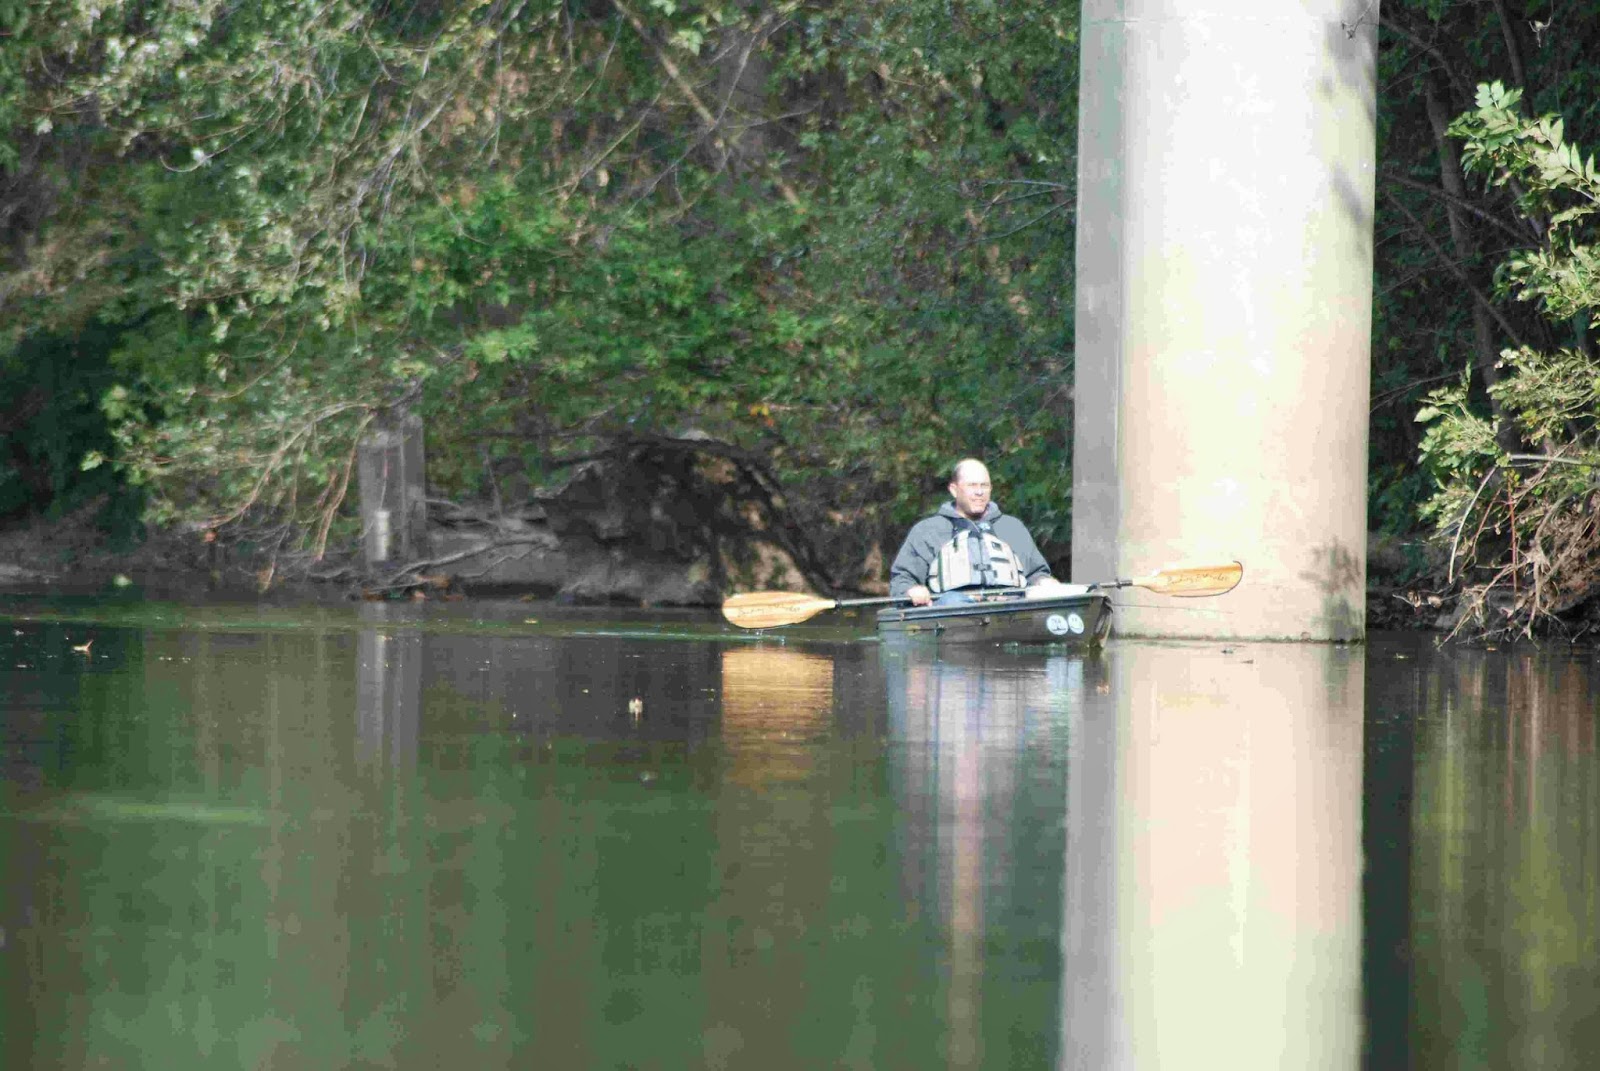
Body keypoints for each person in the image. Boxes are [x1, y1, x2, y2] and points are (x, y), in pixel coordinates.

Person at [889, 458, 1060, 606]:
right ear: (954, 490)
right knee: (952, 601)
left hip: (1009, 608)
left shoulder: (1012, 527)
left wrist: (1044, 582)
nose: (979, 492)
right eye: (972, 485)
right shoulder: (927, 531)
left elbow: (1036, 573)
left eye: (984, 486)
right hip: (953, 613)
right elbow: (901, 580)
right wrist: (911, 589)